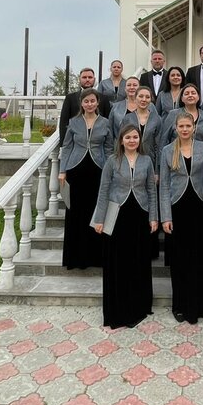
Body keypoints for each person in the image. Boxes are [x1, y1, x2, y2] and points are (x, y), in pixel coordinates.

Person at [92, 124, 157, 328]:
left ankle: (138, 304)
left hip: (139, 213)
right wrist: (99, 219)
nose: (132, 140)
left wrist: (153, 217)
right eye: (128, 137)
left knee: (137, 259)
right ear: (121, 140)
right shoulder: (112, 161)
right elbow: (103, 190)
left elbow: (151, 190)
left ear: (140, 140)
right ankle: (118, 306)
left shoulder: (147, 161)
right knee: (119, 260)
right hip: (116, 213)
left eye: (135, 137)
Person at [159, 112, 203, 324]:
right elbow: (163, 185)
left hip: (199, 209)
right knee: (180, 260)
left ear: (194, 127)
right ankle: (181, 305)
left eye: (187, 126)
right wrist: (165, 216)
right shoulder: (166, 151)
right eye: (181, 126)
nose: (184, 129)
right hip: (177, 209)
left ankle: (201, 305)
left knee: (200, 258)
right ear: (175, 128)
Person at [58, 89, 113, 269]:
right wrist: (62, 170)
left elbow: (110, 148)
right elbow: (66, 147)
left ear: (98, 103)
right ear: (82, 103)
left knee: (95, 211)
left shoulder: (105, 123)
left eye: (92, 101)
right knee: (76, 213)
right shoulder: (73, 123)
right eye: (86, 101)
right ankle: (76, 258)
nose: (89, 104)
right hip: (76, 171)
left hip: (98, 170)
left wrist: (110, 170)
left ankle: (96, 257)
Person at [58, 68, 111, 137]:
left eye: (90, 77)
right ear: (79, 79)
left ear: (94, 80)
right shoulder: (70, 98)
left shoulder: (104, 98)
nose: (87, 79)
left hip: (98, 140)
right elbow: (64, 122)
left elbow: (108, 121)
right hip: (76, 141)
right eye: (84, 77)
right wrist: (63, 144)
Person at [162, 83, 203, 148]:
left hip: (201, 155)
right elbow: (163, 140)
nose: (190, 95)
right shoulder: (173, 114)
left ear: (198, 97)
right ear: (182, 98)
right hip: (176, 154)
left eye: (193, 93)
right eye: (186, 94)